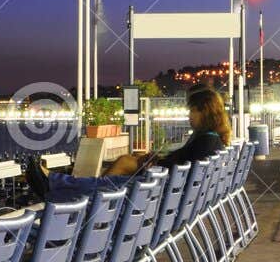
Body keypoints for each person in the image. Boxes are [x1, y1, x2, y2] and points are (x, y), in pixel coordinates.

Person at [30, 85, 231, 203]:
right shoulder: (211, 140)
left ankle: (58, 187)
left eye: (192, 111)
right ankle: (57, 187)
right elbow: (182, 167)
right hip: (171, 194)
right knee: (111, 179)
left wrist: (155, 163)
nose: (189, 116)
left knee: (110, 184)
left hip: (158, 194)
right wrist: (159, 160)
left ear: (204, 112)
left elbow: (178, 169)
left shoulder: (205, 141)